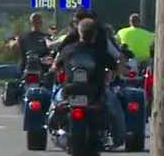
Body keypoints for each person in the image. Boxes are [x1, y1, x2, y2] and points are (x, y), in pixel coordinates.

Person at [52, 18, 125, 148]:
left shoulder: (67, 50)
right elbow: (116, 67)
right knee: (114, 105)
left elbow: (55, 67)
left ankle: (54, 129)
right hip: (95, 92)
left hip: (70, 91)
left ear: (79, 32)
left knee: (55, 103)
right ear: (95, 34)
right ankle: (118, 137)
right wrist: (118, 73)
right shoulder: (100, 52)